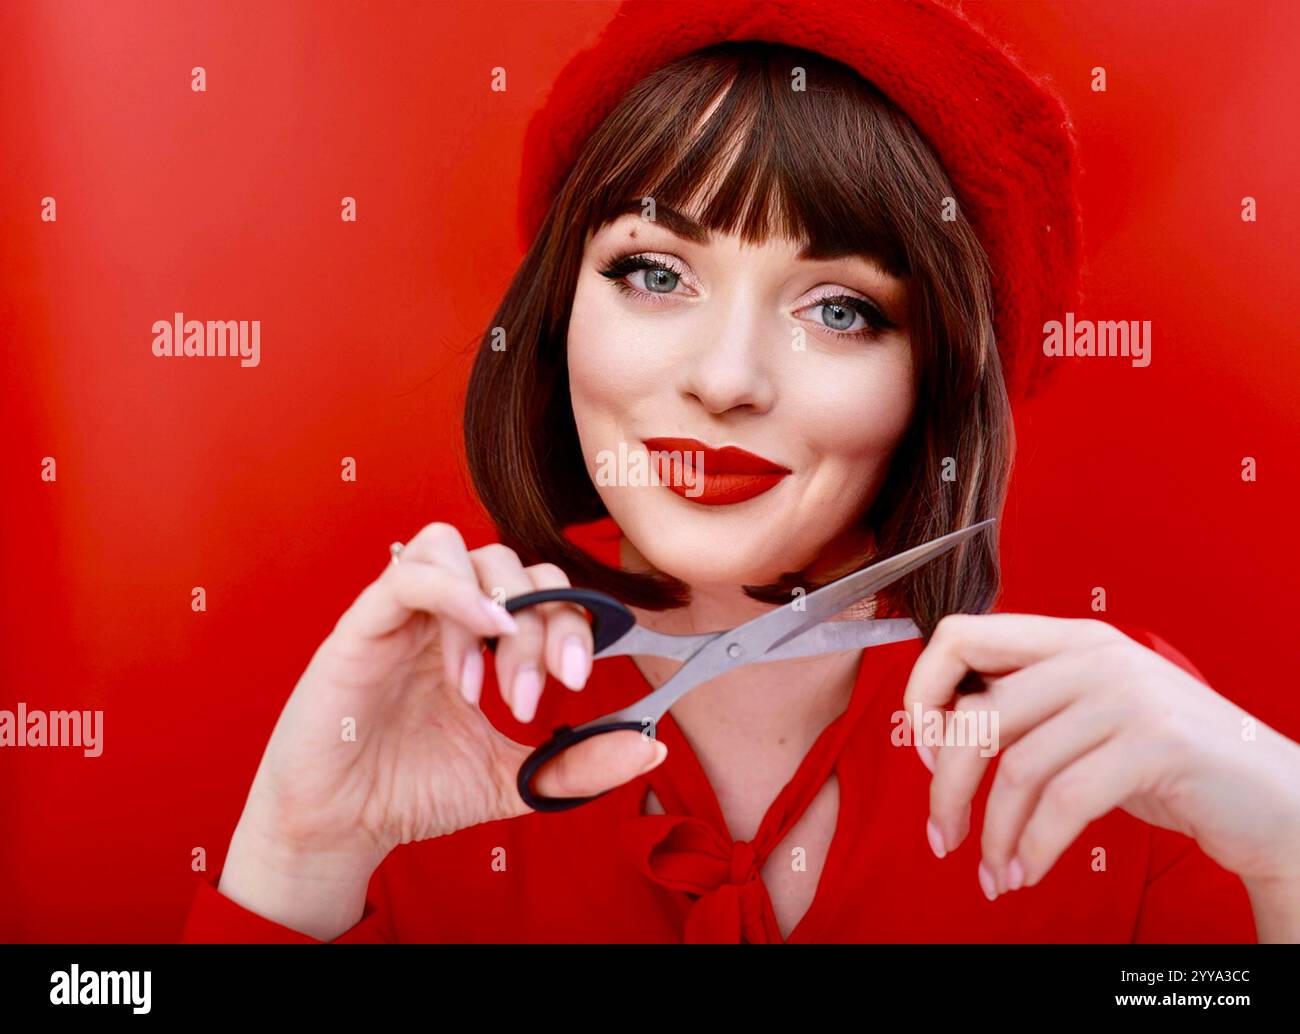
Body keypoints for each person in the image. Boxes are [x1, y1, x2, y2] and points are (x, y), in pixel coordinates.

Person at [181, 0, 1300, 944]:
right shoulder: (420, 712)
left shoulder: (1112, 749)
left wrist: (1288, 844)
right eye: (656, 271)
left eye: (840, 309)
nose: (726, 380)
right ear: (561, 310)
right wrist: (297, 852)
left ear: (937, 376)